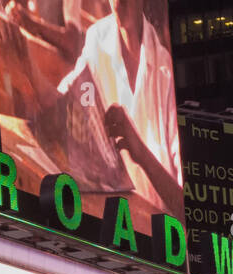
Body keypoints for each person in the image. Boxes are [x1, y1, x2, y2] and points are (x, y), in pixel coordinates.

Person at [54, 0, 183, 216]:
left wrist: (140, 152)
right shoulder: (98, 38)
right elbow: (66, 96)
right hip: (113, 219)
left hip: (163, 233)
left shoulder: (166, 73)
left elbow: (188, 209)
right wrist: (29, 73)